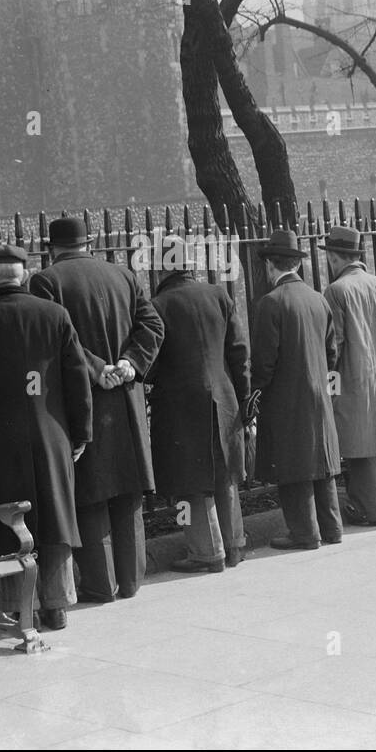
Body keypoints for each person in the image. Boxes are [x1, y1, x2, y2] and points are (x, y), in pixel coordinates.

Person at [0, 244, 93, 632]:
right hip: (52, 436)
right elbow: (77, 380)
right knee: (54, 514)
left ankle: (16, 603)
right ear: (24, 275)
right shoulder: (55, 315)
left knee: (8, 519)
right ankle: (56, 604)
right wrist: (80, 434)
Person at [28, 216, 164, 603]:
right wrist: (129, 363)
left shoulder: (46, 281)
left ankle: (101, 585)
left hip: (84, 402)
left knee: (91, 493)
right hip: (126, 399)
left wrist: (95, 368)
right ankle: (132, 581)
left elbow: (58, 337)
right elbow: (153, 325)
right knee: (127, 493)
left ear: (52, 247)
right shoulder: (122, 275)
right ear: (90, 242)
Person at [146, 241, 250, 572]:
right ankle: (234, 546)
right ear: (190, 265)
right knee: (225, 474)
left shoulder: (158, 305)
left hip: (180, 404)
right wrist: (245, 399)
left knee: (191, 481)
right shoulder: (219, 295)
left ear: (161, 269)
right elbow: (239, 351)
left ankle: (207, 552)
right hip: (224, 398)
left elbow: (150, 364)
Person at [250, 227, 343, 550]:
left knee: (292, 466)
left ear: (269, 266)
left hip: (286, 398)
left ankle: (304, 532)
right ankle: (331, 527)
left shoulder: (270, 304)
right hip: (319, 392)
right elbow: (333, 352)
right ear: (298, 265)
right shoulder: (318, 299)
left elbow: (264, 362)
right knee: (321, 461)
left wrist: (254, 393)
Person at [322, 225, 376, 526]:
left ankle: (368, 509)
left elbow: (336, 344)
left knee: (360, 445)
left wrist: (328, 383)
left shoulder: (336, 291)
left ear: (334, 258)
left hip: (353, 375)